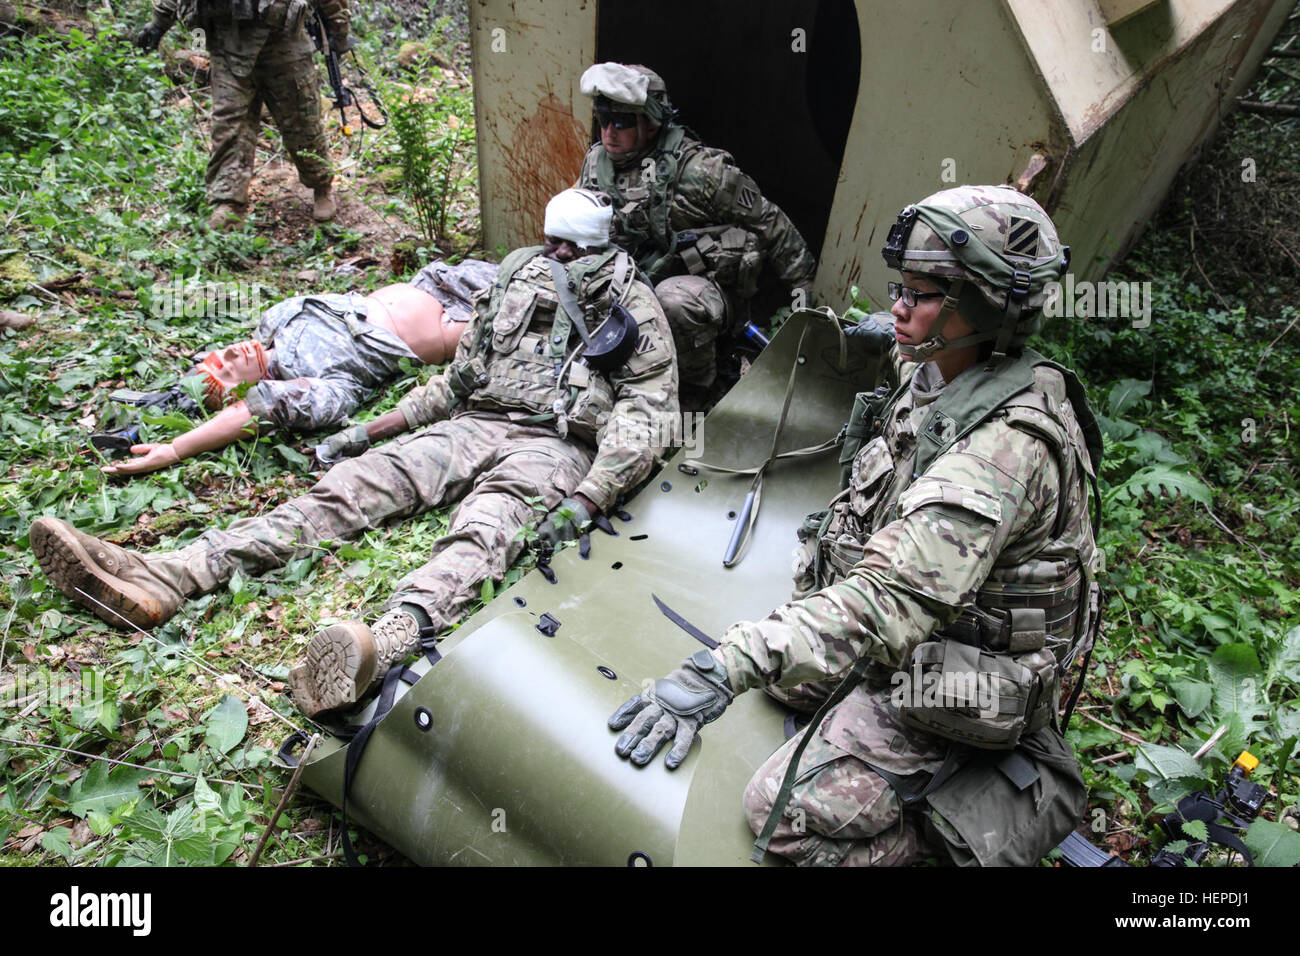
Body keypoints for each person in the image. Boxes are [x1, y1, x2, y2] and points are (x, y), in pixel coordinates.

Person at [33, 188, 679, 719]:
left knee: (482, 535)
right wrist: (366, 433)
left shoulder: (633, 305)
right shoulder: (516, 276)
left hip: (558, 447)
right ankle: (172, 573)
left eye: (576, 247)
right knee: (347, 490)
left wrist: (589, 497)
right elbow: (457, 382)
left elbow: (646, 416)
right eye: (554, 243)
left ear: (603, 244)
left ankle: (380, 646)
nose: (562, 257)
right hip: (474, 424)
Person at [608, 185, 1104, 867]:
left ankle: (957, 828)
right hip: (924, 635)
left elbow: (883, 606)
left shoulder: (1000, 457)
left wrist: (720, 671)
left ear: (988, 306)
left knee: (780, 811)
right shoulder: (948, 362)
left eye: (924, 295)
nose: (899, 307)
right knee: (791, 679)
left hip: (962, 678)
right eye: (899, 288)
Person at [99, 258, 498, 476]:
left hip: (437, 280)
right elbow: (253, 411)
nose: (233, 354)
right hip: (462, 323)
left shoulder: (274, 321)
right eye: (227, 370)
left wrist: (167, 398)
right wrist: (174, 448)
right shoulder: (317, 387)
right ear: (239, 391)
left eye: (220, 355)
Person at [575, 62, 817, 406]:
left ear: (652, 121)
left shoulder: (702, 171)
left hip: (702, 291)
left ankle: (696, 394)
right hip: (632, 281)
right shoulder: (597, 164)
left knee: (673, 301)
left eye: (623, 122)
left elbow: (772, 225)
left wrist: (803, 309)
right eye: (602, 119)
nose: (609, 132)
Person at [134, 0, 351, 229]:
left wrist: (339, 28)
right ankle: (228, 202)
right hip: (227, 44)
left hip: (283, 41)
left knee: (302, 122)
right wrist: (158, 23)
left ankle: (321, 186)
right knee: (229, 125)